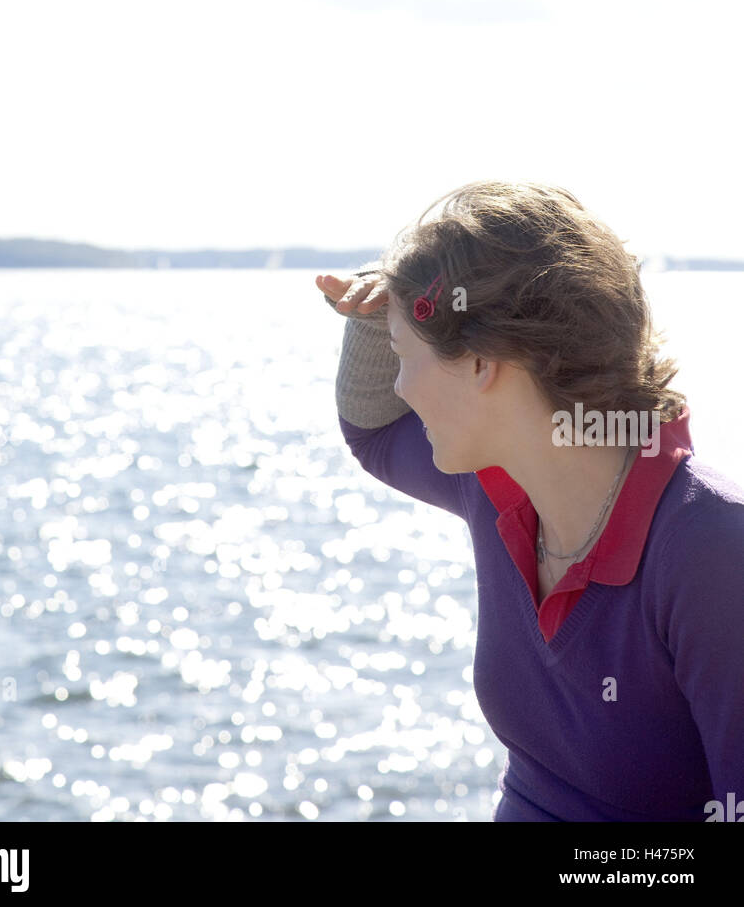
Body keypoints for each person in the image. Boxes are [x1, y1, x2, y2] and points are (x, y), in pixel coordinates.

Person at [316, 180, 744, 822]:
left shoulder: (711, 550)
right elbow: (372, 432)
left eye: (405, 356)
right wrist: (388, 309)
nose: (400, 387)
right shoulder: (496, 483)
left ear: (482, 363)